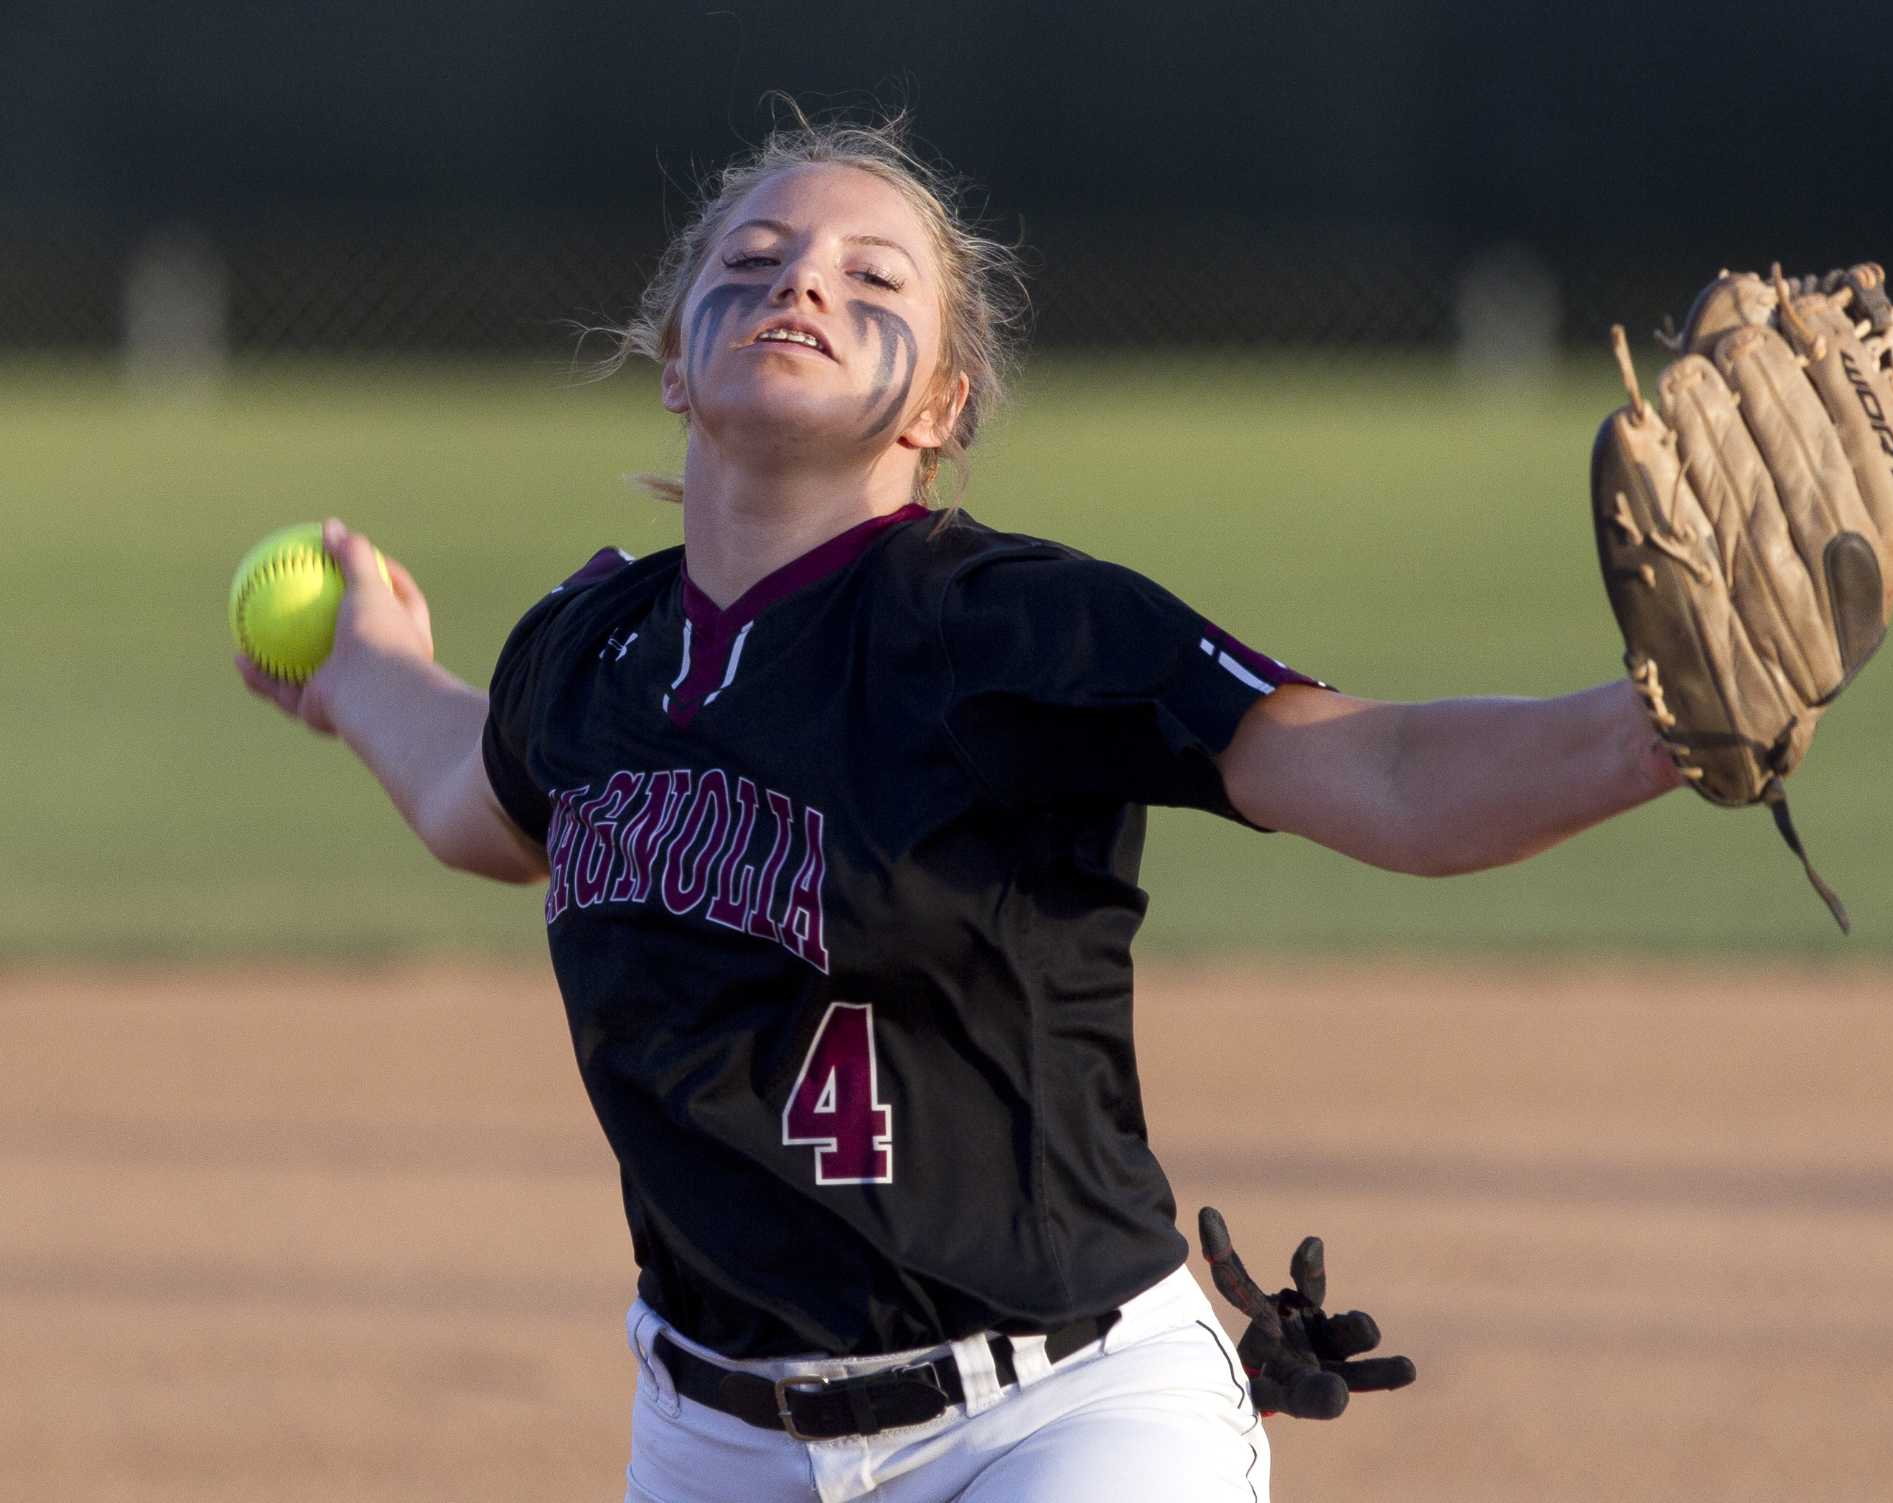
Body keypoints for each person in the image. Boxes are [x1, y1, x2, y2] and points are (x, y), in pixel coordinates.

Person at [236, 112, 1684, 1503]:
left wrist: (1659, 727)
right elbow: (475, 798)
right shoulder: (593, 648)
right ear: (674, 359)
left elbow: (1376, 770)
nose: (799, 278)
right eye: (750, 259)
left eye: (873, 277)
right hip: (713, 1439)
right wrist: (364, 665)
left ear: (941, 406)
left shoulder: (1011, 628)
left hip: (1058, 1418)